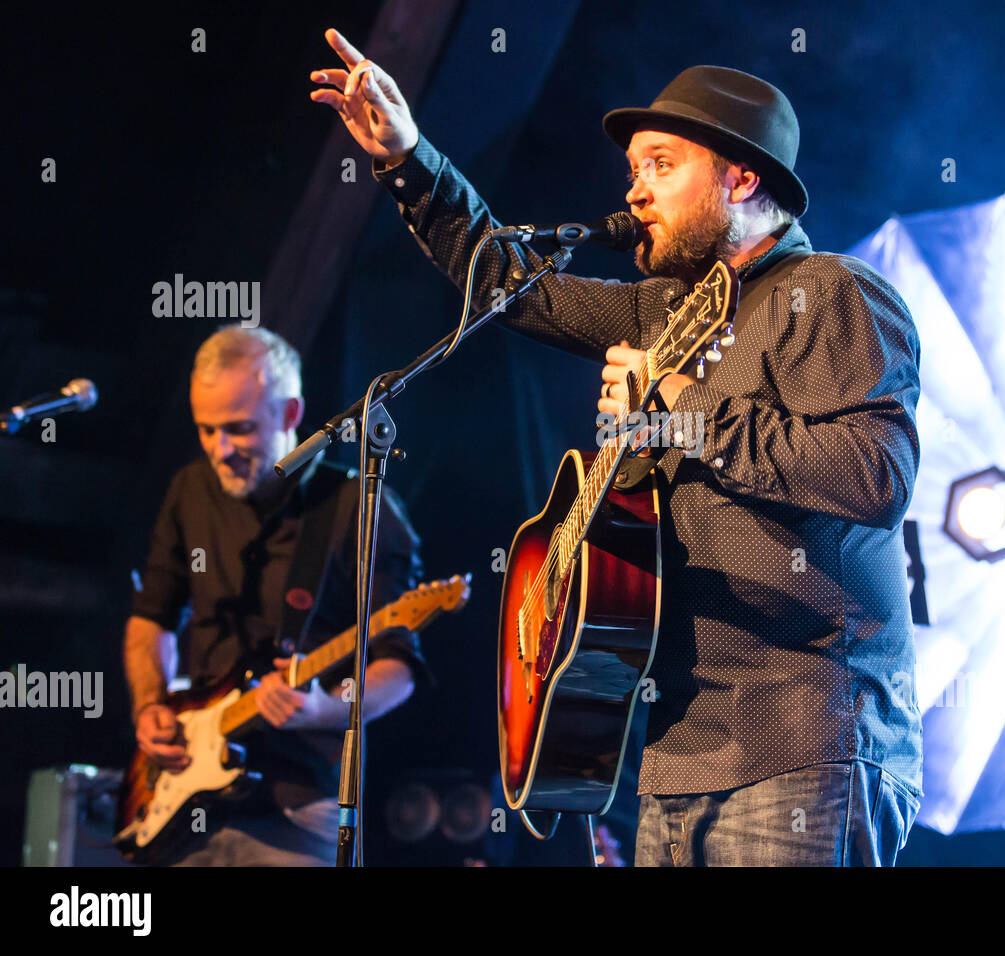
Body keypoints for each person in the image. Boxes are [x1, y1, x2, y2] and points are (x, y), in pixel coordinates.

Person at [311, 28, 923, 866]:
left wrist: (677, 407)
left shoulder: (832, 294)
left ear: (740, 177)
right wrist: (410, 159)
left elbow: (875, 478)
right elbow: (508, 287)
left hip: (802, 742)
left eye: (661, 164)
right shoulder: (663, 310)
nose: (635, 191)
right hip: (672, 759)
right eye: (633, 168)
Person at [124, 324, 426, 865]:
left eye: (238, 430)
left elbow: (397, 670)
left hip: (299, 797)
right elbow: (152, 618)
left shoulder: (357, 506)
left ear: (289, 415)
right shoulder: (190, 491)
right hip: (188, 793)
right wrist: (150, 705)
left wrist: (321, 710)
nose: (220, 450)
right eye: (206, 430)